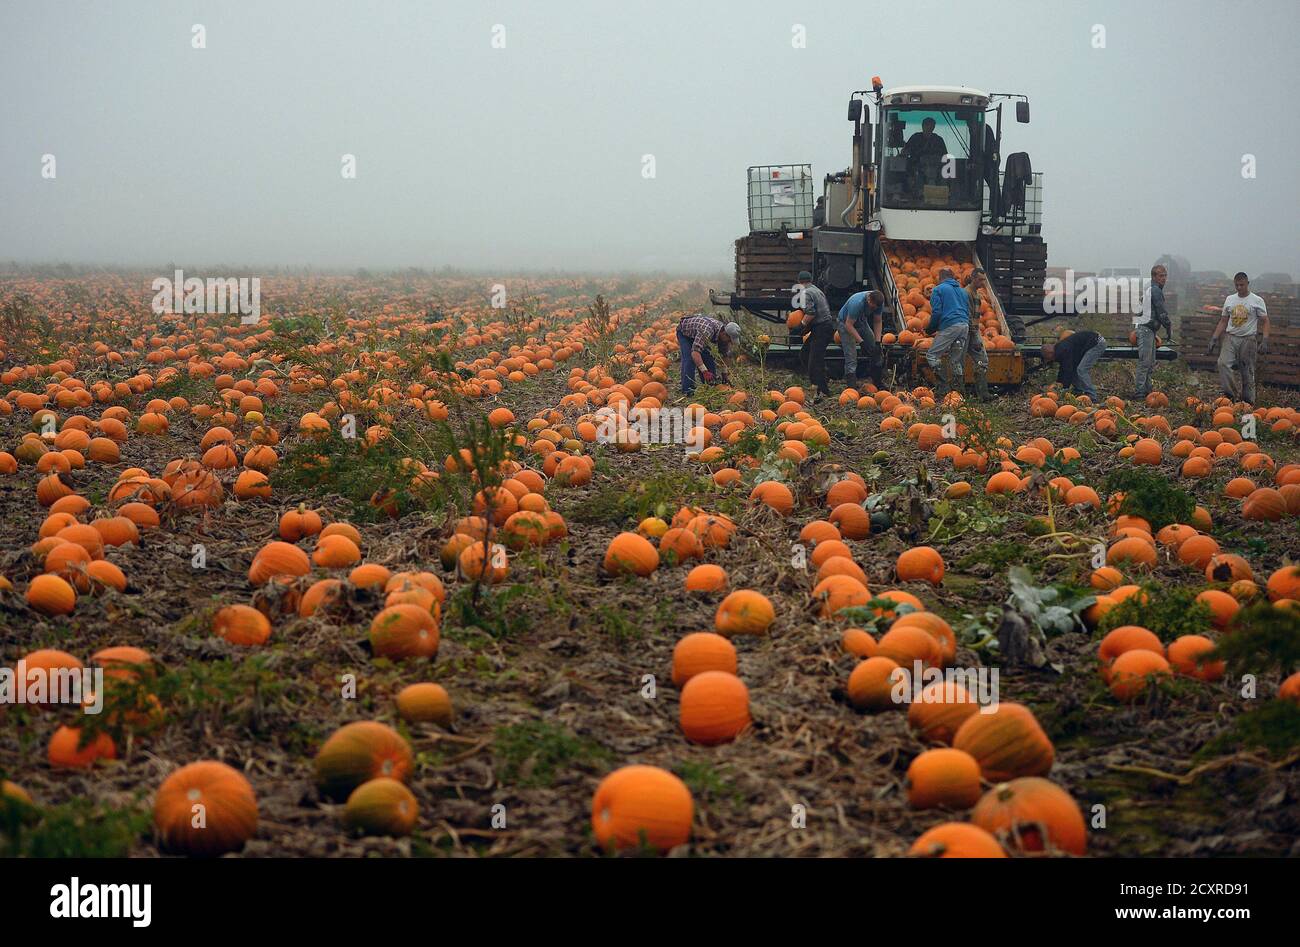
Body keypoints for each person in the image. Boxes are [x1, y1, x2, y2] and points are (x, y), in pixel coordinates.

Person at [1207, 272, 1270, 405]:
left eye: (1242, 285)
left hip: (1248, 339)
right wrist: (1214, 337)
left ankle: (1248, 402)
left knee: (1247, 370)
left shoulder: (1257, 300)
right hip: (1230, 337)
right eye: (1237, 285)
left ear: (1247, 283)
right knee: (1223, 363)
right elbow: (1223, 321)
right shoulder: (1230, 299)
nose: (1239, 287)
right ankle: (1231, 396)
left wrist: (1265, 340)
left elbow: (1265, 321)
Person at [925, 267, 972, 397]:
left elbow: (937, 312)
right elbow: (967, 310)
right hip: (964, 325)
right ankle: (959, 390)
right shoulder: (962, 291)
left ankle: (943, 388)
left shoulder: (938, 290)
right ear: (952, 277)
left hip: (950, 325)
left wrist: (930, 328)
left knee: (932, 355)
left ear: (940, 278)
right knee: (955, 360)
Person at [794, 270, 834, 401]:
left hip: (822, 328)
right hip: (825, 327)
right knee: (805, 354)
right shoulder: (816, 290)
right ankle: (823, 377)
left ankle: (821, 390)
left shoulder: (806, 293)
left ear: (799, 282)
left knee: (814, 361)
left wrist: (801, 325)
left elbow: (811, 313)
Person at [676, 313, 739, 394]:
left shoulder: (723, 335)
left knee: (708, 358)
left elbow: (724, 355)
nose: (729, 342)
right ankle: (688, 390)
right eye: (729, 340)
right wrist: (704, 371)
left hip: (699, 335)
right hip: (685, 334)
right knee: (689, 360)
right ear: (724, 333)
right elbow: (695, 353)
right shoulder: (707, 331)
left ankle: (709, 385)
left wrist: (724, 374)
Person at [1134, 264, 1172, 398]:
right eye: (1161, 276)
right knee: (1145, 363)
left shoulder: (1150, 289)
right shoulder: (1155, 290)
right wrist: (1168, 327)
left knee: (1149, 363)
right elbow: (1161, 312)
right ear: (1154, 277)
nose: (1164, 278)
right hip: (1145, 329)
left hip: (1149, 329)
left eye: (1165, 275)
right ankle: (1140, 393)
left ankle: (1147, 392)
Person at [837, 289, 886, 390]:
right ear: (868, 300)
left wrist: (877, 342)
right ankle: (851, 386)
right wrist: (861, 342)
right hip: (845, 324)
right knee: (851, 355)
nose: (874, 309)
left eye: (875, 308)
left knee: (875, 350)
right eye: (872, 307)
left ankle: (877, 381)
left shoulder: (878, 302)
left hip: (861, 322)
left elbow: (877, 321)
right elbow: (849, 325)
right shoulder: (857, 303)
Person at [1041, 331, 1107, 401]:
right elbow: (1064, 369)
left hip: (1097, 343)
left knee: (1081, 369)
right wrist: (1059, 383)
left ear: (1050, 354)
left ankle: (1092, 396)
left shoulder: (1063, 350)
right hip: (1090, 343)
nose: (1051, 360)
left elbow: (1067, 370)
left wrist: (1063, 389)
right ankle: (1079, 391)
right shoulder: (1060, 350)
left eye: (1048, 358)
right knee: (1075, 369)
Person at [962, 270, 992, 401]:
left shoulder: (977, 295)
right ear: (973, 278)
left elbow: (975, 317)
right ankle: (959, 394)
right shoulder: (966, 293)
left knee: (982, 360)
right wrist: (974, 336)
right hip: (966, 332)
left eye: (983, 280)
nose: (982, 282)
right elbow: (967, 316)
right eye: (980, 280)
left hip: (974, 331)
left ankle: (982, 393)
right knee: (959, 362)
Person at [903, 117, 948, 194]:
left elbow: (945, 157)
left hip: (937, 170)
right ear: (922, 126)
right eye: (927, 125)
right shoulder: (915, 138)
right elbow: (906, 152)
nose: (929, 128)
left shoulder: (938, 140)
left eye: (932, 126)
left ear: (934, 127)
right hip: (917, 168)